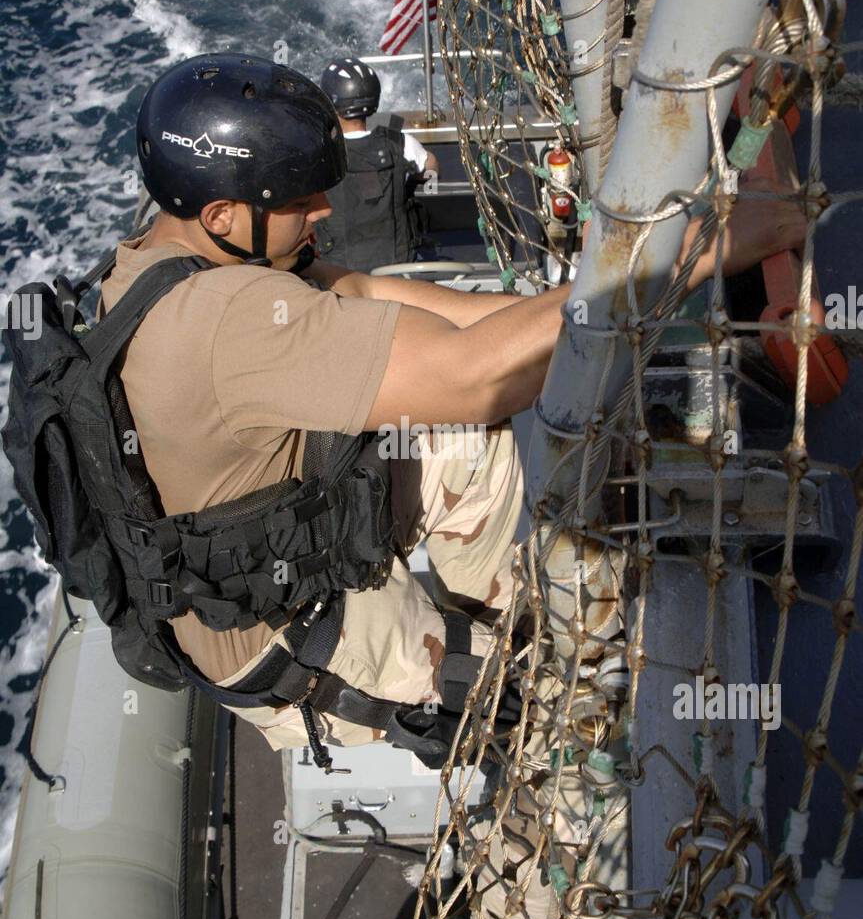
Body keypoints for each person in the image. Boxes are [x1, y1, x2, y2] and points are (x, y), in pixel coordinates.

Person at [101, 50, 807, 776]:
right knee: (536, 729)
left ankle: (521, 611)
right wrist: (699, 251)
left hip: (258, 537)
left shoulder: (181, 263)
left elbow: (409, 309)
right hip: (281, 630)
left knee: (465, 443)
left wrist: (576, 311)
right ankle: (543, 802)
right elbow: (475, 380)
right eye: (298, 201)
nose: (321, 211)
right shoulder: (230, 324)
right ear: (222, 213)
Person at [315, 55, 438, 272]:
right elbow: (432, 168)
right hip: (398, 273)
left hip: (337, 274)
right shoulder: (401, 144)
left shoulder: (320, 151)